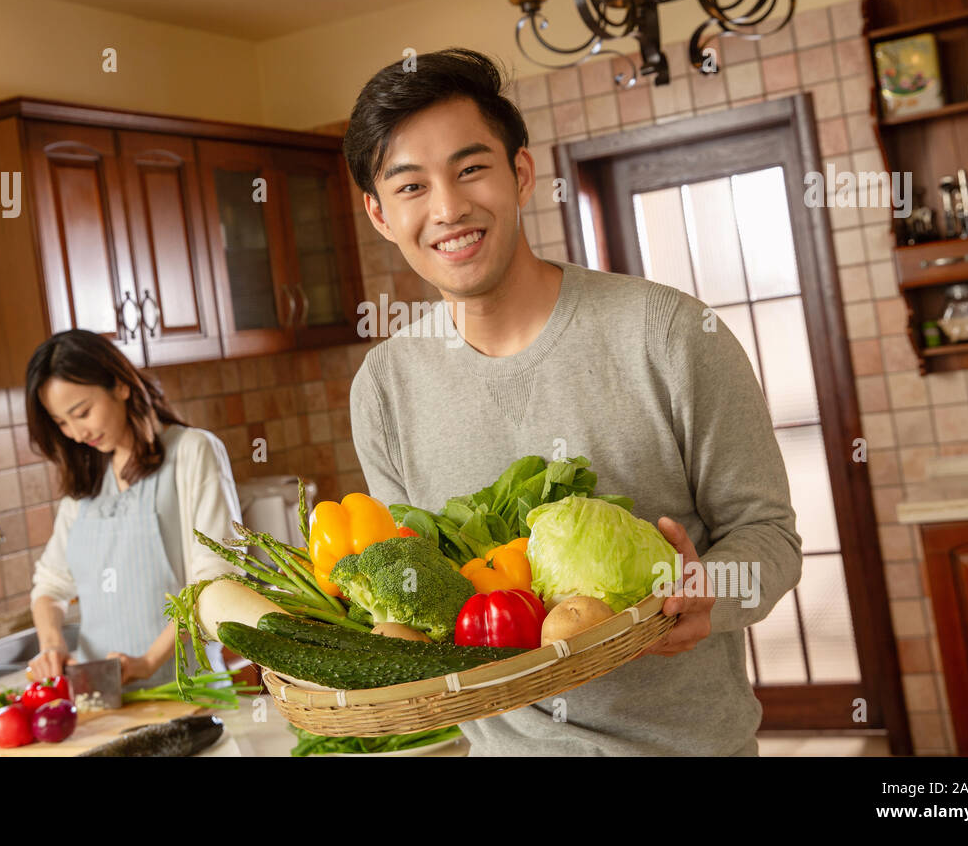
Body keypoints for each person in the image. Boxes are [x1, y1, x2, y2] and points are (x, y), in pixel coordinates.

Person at [342, 47, 803, 756]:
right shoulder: (382, 390)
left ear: (520, 173)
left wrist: (711, 592)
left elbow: (769, 535)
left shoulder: (670, 334)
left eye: (471, 169)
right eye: (410, 187)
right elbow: (421, 592)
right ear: (378, 214)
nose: (448, 208)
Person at [25, 329, 245, 691]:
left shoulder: (192, 452)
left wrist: (147, 663)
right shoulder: (85, 482)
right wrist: (52, 644)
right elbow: (50, 585)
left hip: (189, 694)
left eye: (82, 413)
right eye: (62, 423)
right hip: (104, 703)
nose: (77, 433)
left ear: (121, 385)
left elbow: (214, 582)